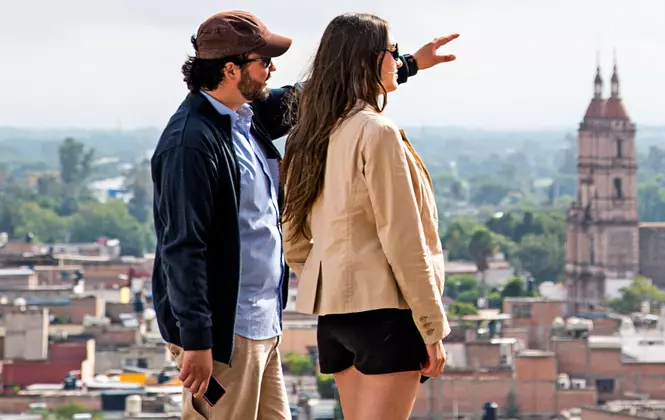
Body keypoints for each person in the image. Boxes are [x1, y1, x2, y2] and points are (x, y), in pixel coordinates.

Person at [151, 9, 456, 419]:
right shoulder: (190, 143)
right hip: (224, 335)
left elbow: (331, 88)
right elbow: (183, 249)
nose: (272, 70)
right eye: (263, 62)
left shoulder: (247, 118)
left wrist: (409, 64)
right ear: (230, 69)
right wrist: (197, 341)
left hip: (264, 325)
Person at [280, 12, 455, 420]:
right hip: (387, 316)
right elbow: (403, 237)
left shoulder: (311, 131)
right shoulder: (376, 132)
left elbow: (292, 233)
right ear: (366, 61)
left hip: (335, 319)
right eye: (392, 52)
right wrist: (432, 328)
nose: (397, 60)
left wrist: (329, 281)